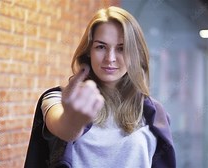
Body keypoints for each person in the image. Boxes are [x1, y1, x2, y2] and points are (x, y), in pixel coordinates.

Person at [25, 6, 175, 168]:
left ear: (135, 54)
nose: (110, 58)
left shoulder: (154, 113)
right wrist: (73, 118)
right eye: (101, 47)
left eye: (121, 48)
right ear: (89, 51)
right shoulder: (58, 99)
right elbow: (65, 129)